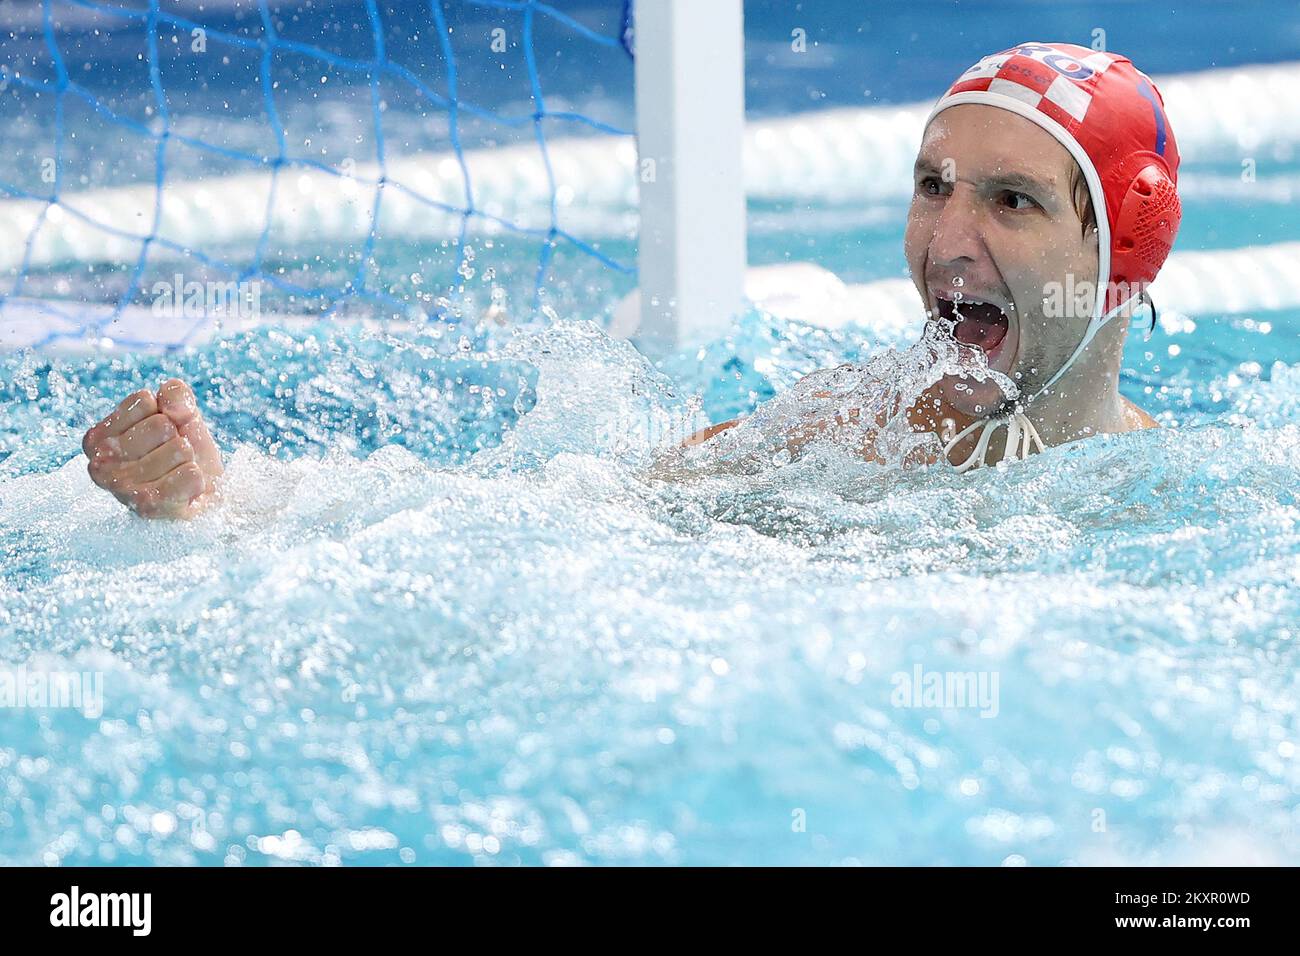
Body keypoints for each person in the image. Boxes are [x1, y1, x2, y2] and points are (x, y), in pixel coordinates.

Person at [82, 41, 1182, 519]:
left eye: (1011, 199)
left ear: (1122, 251)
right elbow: (544, 512)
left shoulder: (1174, 489)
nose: (947, 234)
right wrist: (217, 505)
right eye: (932, 184)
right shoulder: (856, 427)